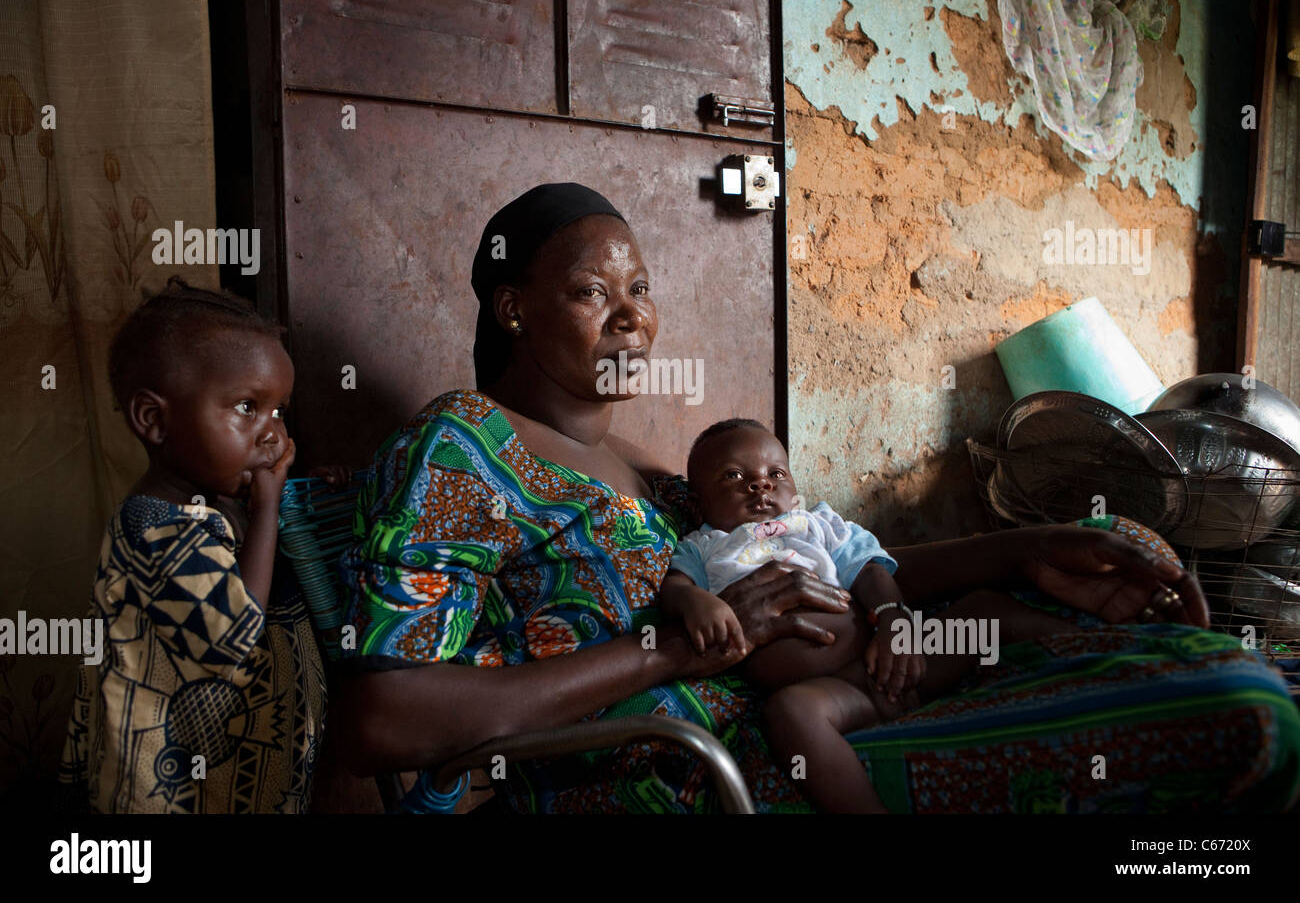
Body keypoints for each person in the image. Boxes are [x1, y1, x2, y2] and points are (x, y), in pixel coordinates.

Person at [333, 182, 1300, 813]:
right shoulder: (462, 447)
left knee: (1163, 649)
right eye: (594, 291)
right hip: (700, 776)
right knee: (1227, 707)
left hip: (810, 704)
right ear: (514, 308)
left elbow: (826, 569)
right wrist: (669, 647)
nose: (633, 314)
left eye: (641, 287)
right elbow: (385, 722)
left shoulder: (643, 465)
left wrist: (1029, 547)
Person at [663, 417, 1081, 812]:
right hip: (839, 694)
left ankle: (1089, 649)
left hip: (892, 659)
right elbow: (676, 587)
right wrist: (697, 602)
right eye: (733, 476)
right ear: (699, 506)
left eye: (777, 474)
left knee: (984, 612)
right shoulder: (705, 546)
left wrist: (893, 620)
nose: (760, 484)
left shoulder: (815, 523)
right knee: (789, 714)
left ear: (793, 490)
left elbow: (868, 565)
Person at [58, 278, 328, 813]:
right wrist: (270, 509)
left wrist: (308, 497)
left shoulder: (222, 503)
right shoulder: (155, 528)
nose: (273, 433)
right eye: (248, 406)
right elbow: (232, 636)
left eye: (279, 410)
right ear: (155, 420)